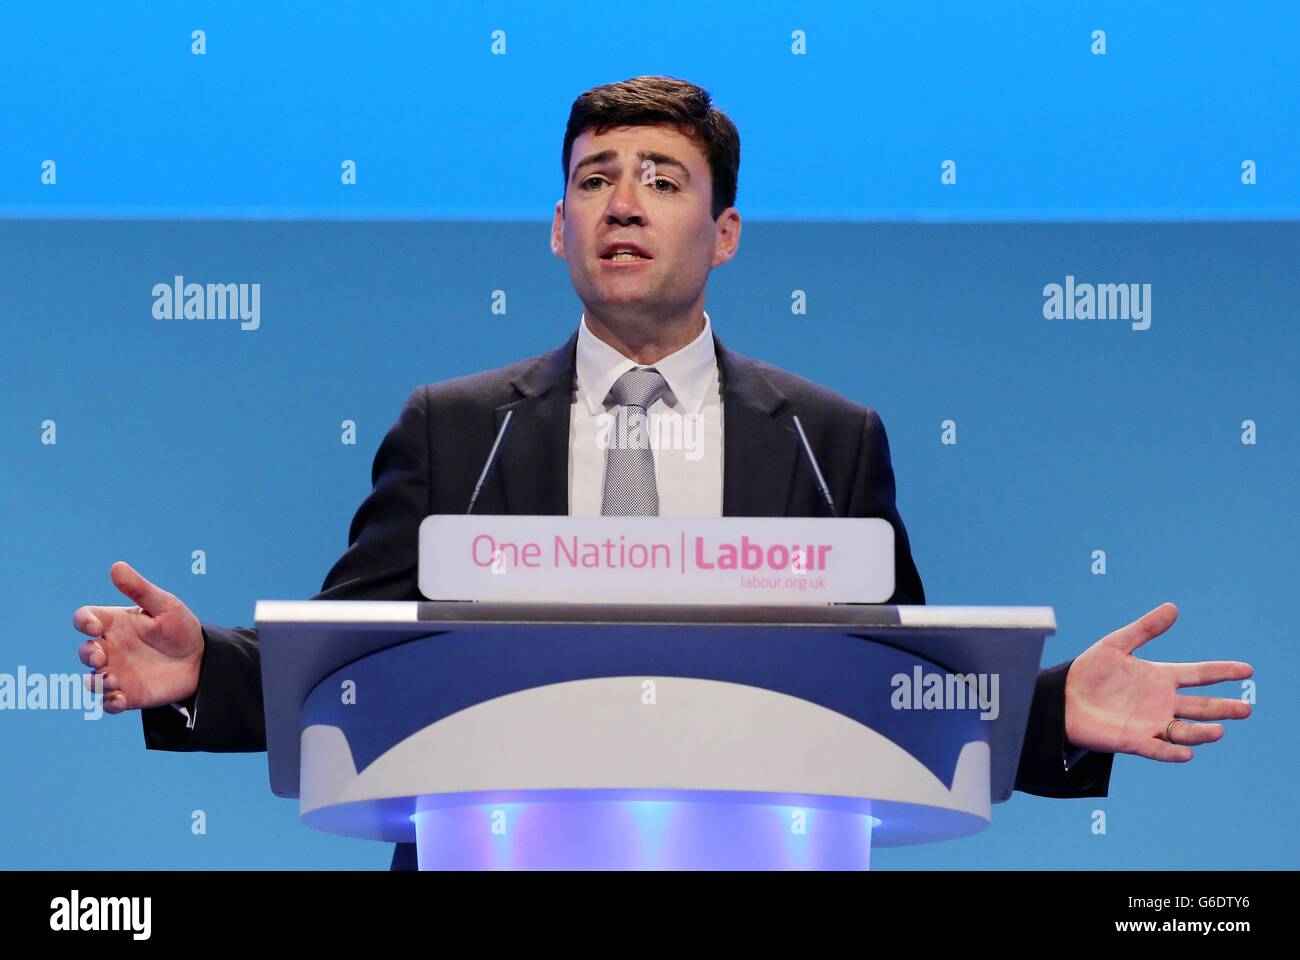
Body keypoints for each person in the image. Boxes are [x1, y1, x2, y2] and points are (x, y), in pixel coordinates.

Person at [73, 76, 1253, 870]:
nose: (620, 203)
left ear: (724, 233)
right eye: (593, 179)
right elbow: (348, 659)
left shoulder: (823, 435)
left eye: (659, 178)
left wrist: (1056, 717)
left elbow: (899, 683)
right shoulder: (457, 426)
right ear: (555, 226)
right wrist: (199, 674)